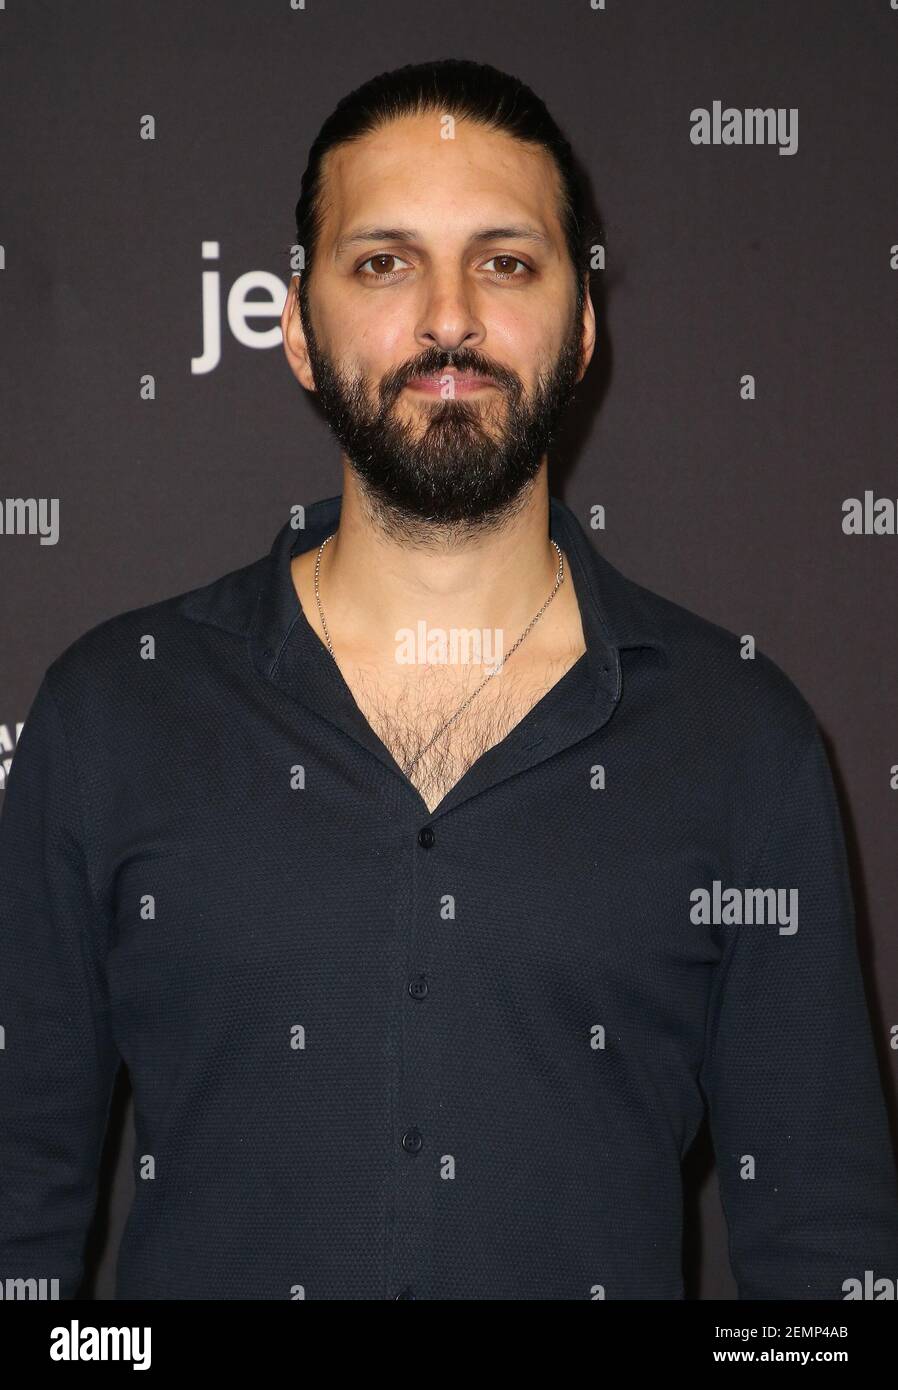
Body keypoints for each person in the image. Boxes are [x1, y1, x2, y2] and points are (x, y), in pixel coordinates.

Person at [1, 58, 896, 1302]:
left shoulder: (742, 743)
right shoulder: (112, 712)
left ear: (583, 328)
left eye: (506, 261)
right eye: (382, 262)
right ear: (296, 331)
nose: (447, 317)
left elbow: (824, 1251)